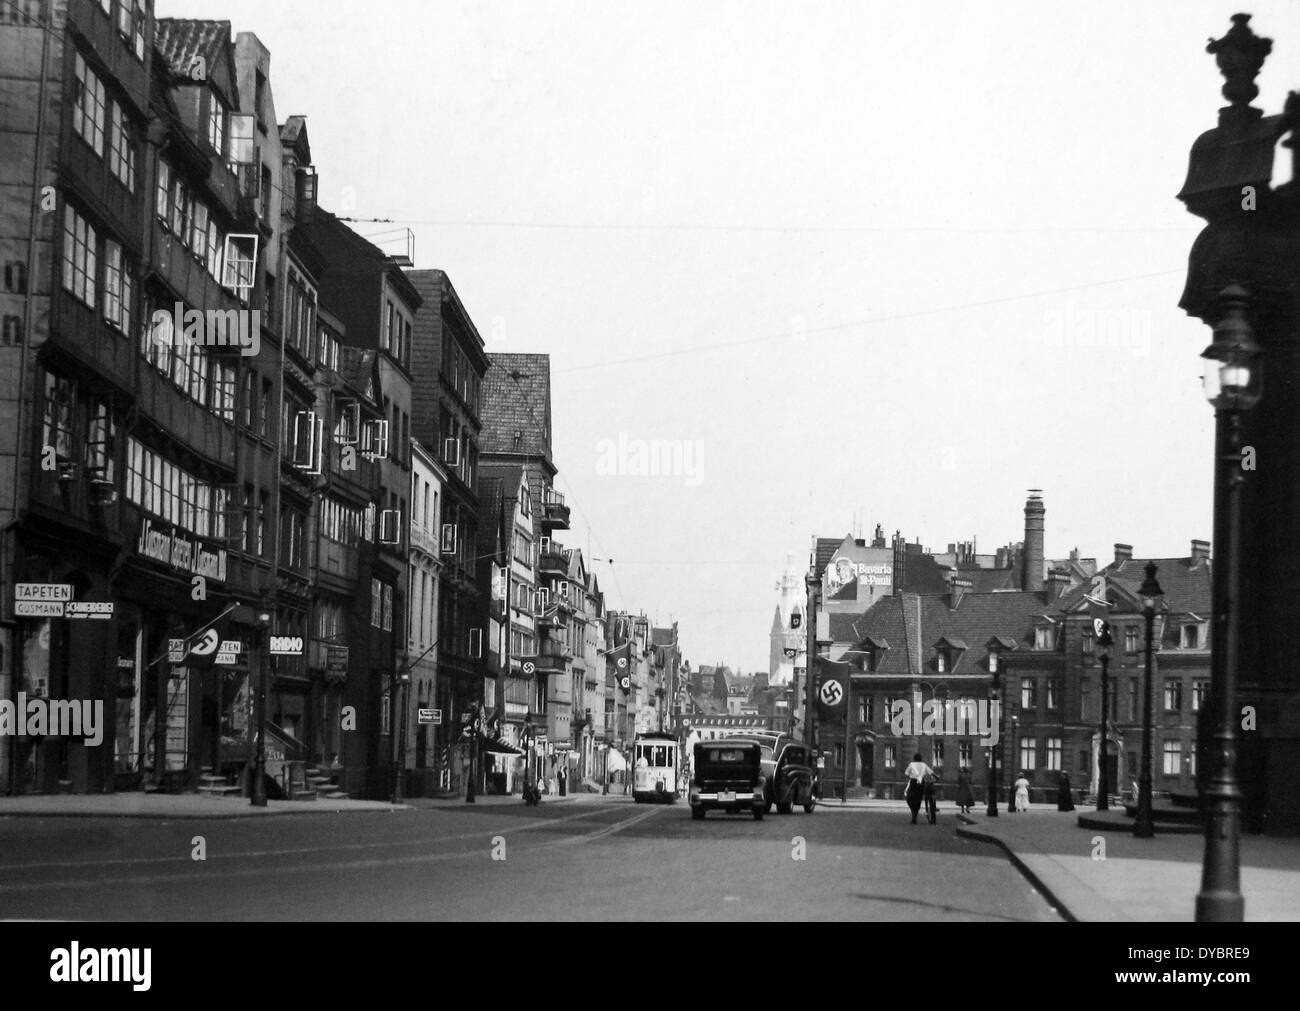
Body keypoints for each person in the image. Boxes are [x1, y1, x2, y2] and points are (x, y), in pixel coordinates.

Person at [903, 752, 935, 825]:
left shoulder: (911, 764)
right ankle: (915, 816)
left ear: (914, 758)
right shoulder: (924, 765)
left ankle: (913, 814)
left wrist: (911, 775)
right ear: (921, 759)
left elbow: (906, 773)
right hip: (921, 783)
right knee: (918, 799)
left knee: (909, 798)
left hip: (913, 782)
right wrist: (936, 777)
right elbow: (931, 772)